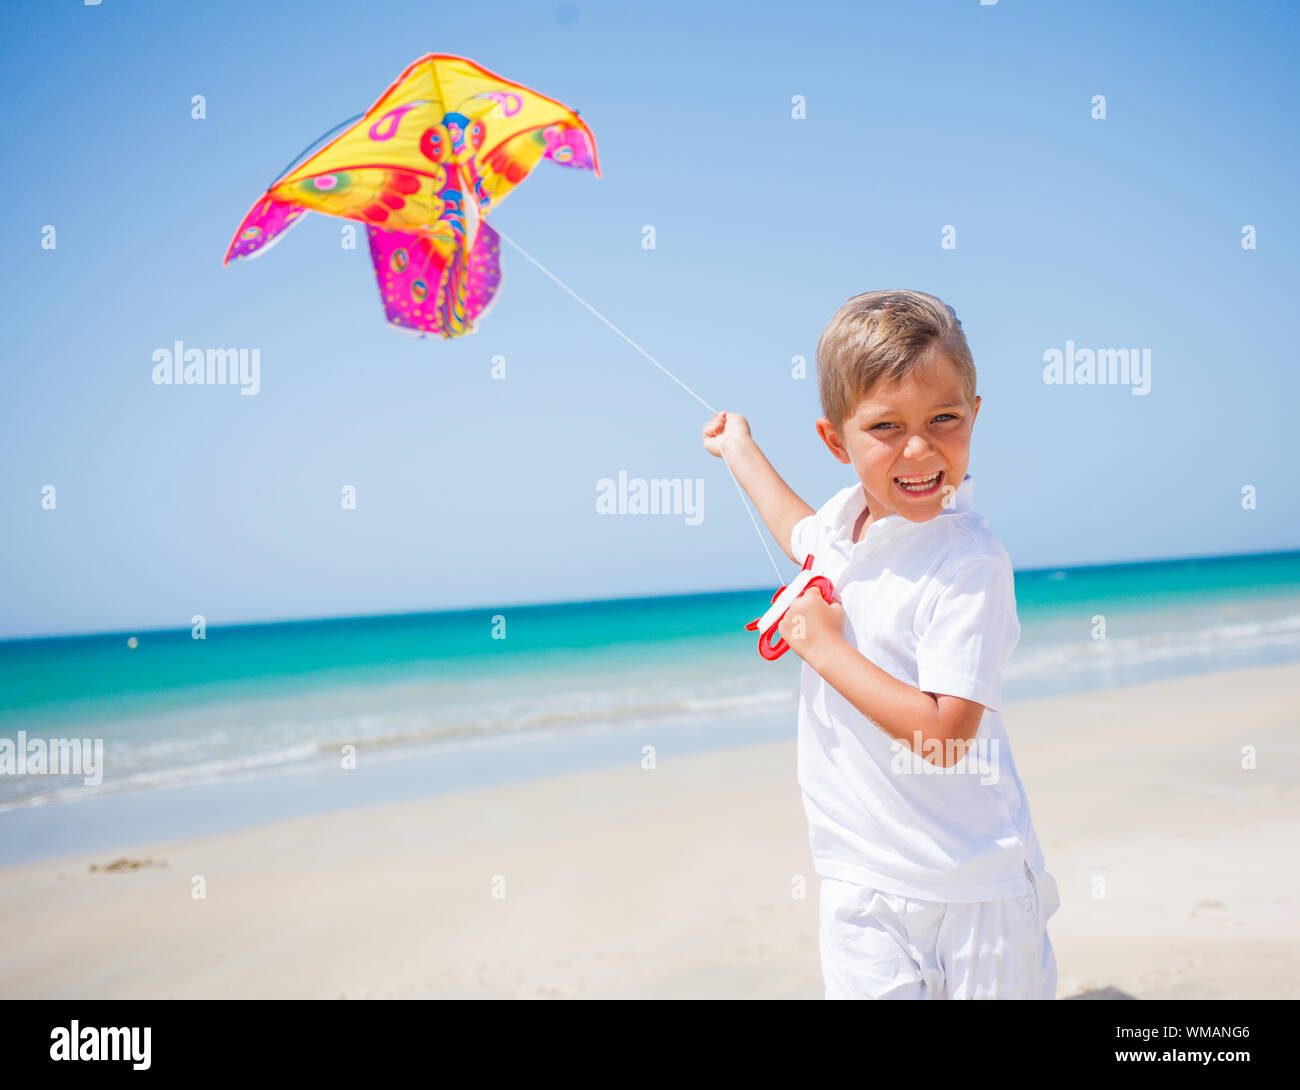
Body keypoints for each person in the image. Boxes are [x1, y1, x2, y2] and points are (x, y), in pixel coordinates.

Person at [702, 289, 1059, 1000]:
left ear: (975, 415)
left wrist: (822, 647)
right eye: (886, 427)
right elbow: (797, 528)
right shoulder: (843, 523)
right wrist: (740, 450)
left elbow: (945, 736)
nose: (920, 448)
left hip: (974, 884)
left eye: (943, 419)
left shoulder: (967, 562)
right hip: (859, 877)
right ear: (837, 441)